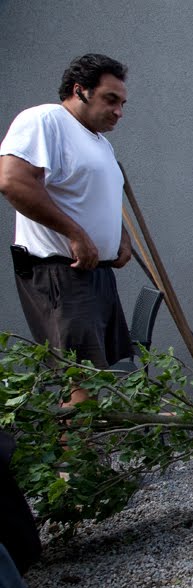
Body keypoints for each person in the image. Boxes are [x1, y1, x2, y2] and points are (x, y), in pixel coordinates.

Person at [0, 54, 133, 403]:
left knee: (96, 373)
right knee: (80, 378)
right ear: (80, 90)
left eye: (122, 103)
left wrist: (120, 234)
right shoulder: (46, 120)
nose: (119, 111)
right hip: (61, 271)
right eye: (110, 99)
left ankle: (81, 450)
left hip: (96, 273)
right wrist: (76, 234)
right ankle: (75, 456)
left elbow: (93, 198)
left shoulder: (100, 142)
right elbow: (13, 182)